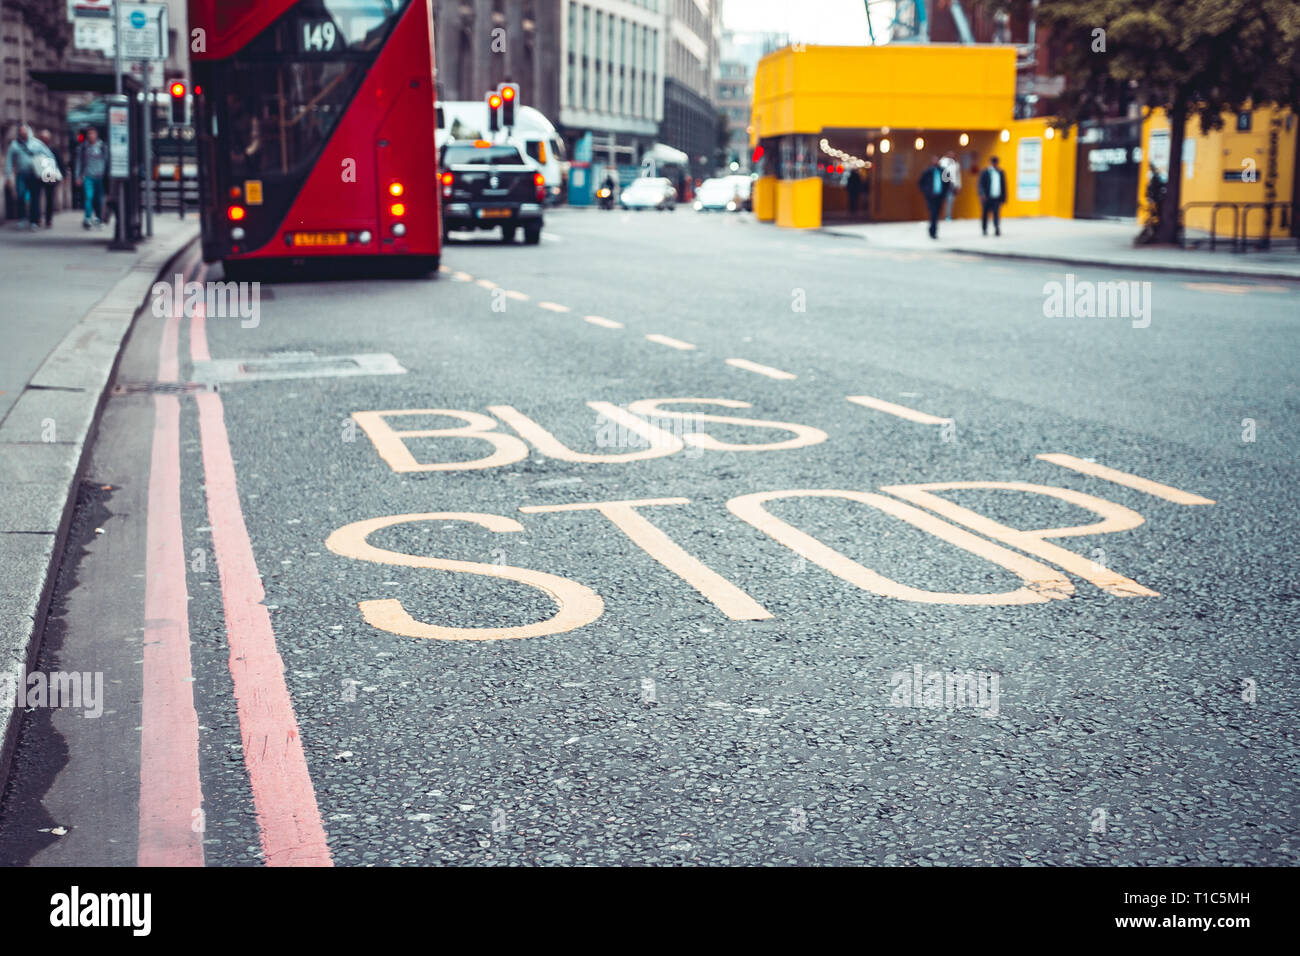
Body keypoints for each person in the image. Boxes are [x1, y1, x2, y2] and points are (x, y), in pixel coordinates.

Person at [4, 123, 44, 230]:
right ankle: (22, 218)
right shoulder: (14, 145)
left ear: (29, 131)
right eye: (21, 131)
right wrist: (7, 175)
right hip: (21, 174)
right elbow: (8, 160)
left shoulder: (36, 144)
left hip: (34, 175)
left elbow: (47, 155)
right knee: (20, 196)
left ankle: (34, 221)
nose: (23, 133)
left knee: (34, 198)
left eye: (24, 130)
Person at [75, 127, 107, 229]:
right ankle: (87, 218)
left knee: (98, 199)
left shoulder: (102, 146)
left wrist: (106, 174)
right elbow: (79, 162)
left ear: (96, 135)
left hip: (100, 176)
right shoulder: (83, 147)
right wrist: (78, 176)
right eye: (89, 134)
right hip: (88, 176)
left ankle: (98, 218)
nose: (90, 136)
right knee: (89, 197)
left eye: (92, 133)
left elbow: (107, 161)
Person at [917, 154, 951, 239]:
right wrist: (926, 192)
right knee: (933, 213)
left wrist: (945, 193)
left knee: (936, 213)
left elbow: (948, 183)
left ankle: (933, 229)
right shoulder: (928, 171)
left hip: (940, 196)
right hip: (930, 196)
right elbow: (921, 183)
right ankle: (932, 231)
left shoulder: (943, 171)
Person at [37, 128, 63, 228]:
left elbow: (59, 162)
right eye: (42, 138)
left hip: (50, 174)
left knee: (49, 197)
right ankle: (37, 218)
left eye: (46, 138)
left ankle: (48, 219)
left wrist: (62, 175)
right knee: (37, 197)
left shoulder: (53, 149)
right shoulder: (37, 149)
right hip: (38, 175)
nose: (44, 140)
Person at [977, 155, 1008, 237]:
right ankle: (984, 229)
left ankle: (996, 228)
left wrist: (1004, 197)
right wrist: (982, 194)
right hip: (987, 197)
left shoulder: (1000, 172)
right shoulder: (985, 172)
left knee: (996, 213)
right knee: (985, 214)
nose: (994, 164)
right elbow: (980, 184)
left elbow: (1003, 185)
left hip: (997, 197)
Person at [939, 150, 961, 220]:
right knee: (941, 201)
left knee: (950, 200)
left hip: (951, 185)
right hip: (943, 184)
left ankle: (948, 216)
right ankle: (939, 215)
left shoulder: (956, 164)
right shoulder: (942, 162)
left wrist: (958, 186)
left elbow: (958, 176)